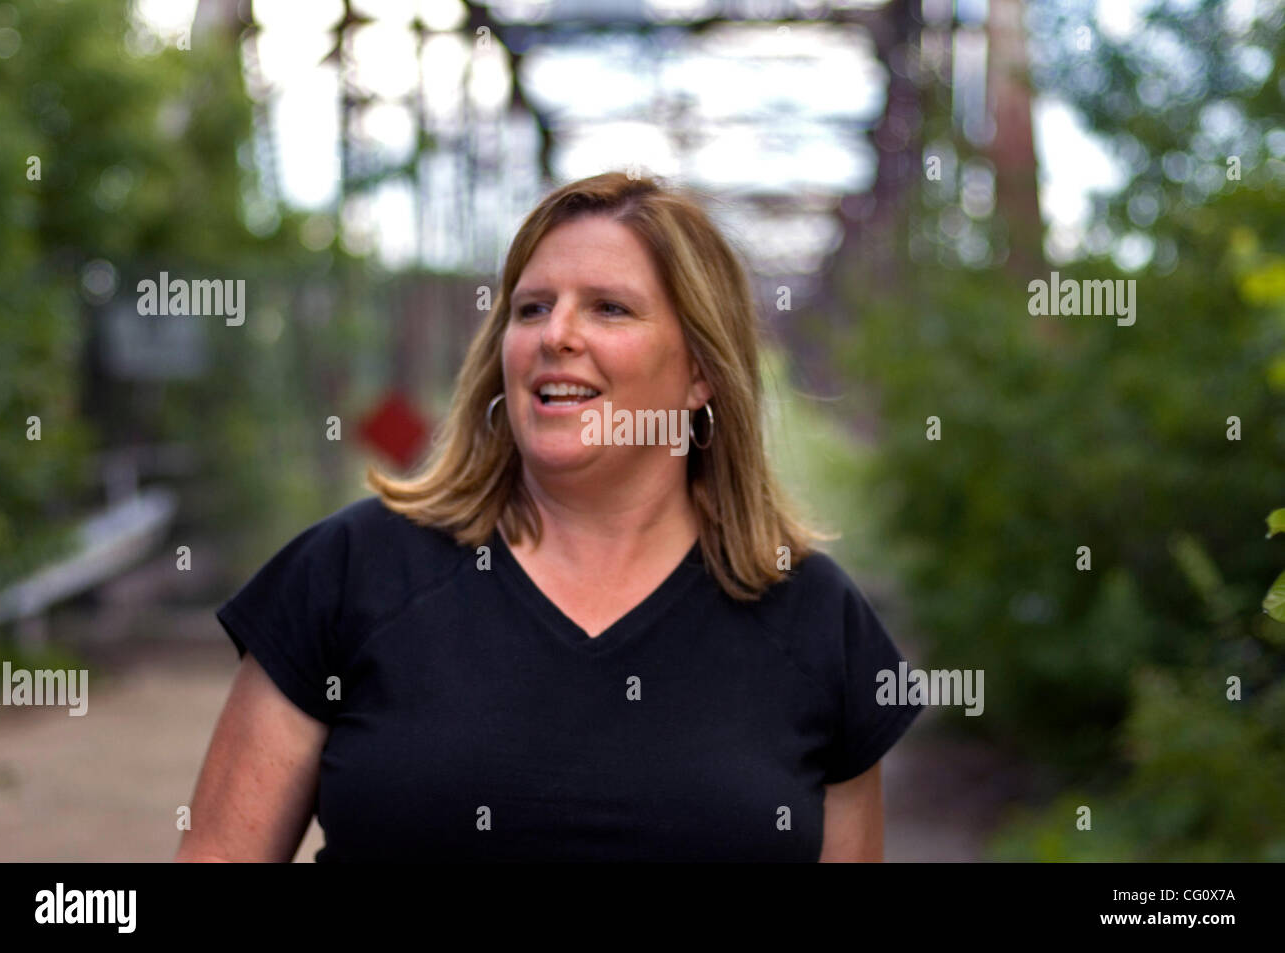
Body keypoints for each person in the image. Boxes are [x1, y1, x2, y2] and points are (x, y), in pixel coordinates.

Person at [175, 171, 922, 862]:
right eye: (532, 308)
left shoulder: (815, 619)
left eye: (609, 307)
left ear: (700, 372)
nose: (555, 334)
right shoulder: (350, 573)